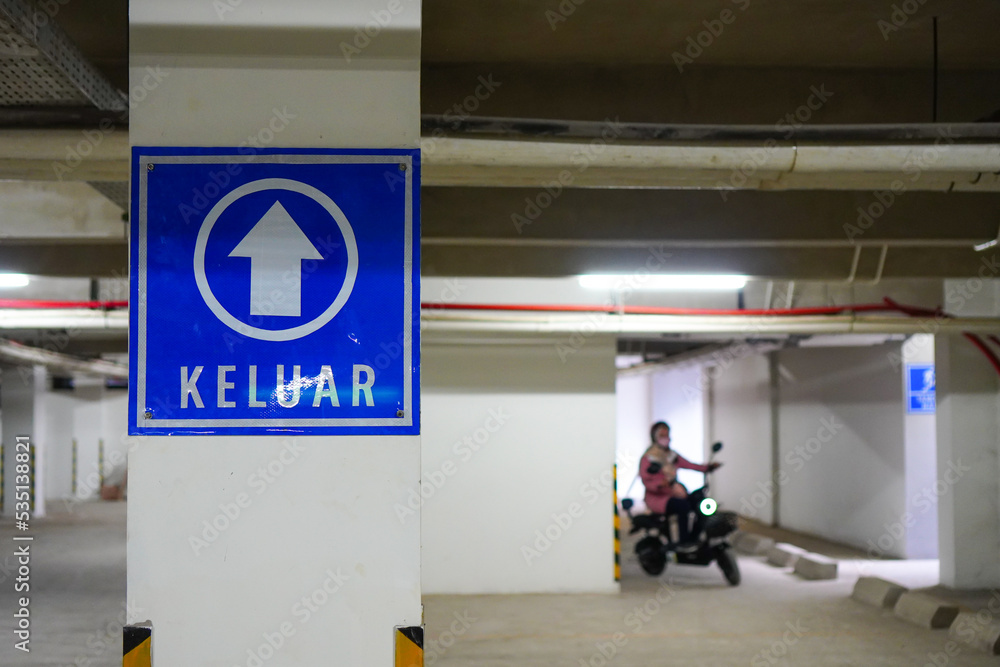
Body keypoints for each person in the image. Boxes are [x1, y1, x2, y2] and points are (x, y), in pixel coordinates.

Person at [639, 421, 721, 548]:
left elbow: (690, 465)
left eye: (667, 435)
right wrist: (660, 483)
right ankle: (683, 541)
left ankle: (695, 538)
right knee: (683, 506)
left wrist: (708, 467)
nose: (665, 438)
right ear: (655, 437)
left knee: (699, 503)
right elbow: (646, 480)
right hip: (658, 498)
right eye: (662, 435)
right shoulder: (649, 457)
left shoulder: (672, 456)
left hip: (674, 492)